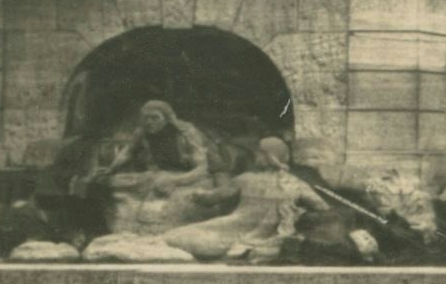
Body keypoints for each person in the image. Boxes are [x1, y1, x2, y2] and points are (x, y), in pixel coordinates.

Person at [163, 137, 331, 262]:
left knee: (172, 237)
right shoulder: (296, 184)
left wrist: (197, 194)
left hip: (229, 232)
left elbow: (211, 199)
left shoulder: (246, 179)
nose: (255, 157)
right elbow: (322, 207)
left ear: (266, 157)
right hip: (268, 237)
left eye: (258, 154)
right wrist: (294, 213)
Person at [106, 99, 210, 198]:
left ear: (167, 119)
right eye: (146, 118)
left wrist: (175, 181)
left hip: (188, 178)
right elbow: (128, 152)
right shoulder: (142, 133)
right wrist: (111, 169)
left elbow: (203, 169)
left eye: (155, 117)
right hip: (160, 176)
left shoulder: (186, 133)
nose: (149, 122)